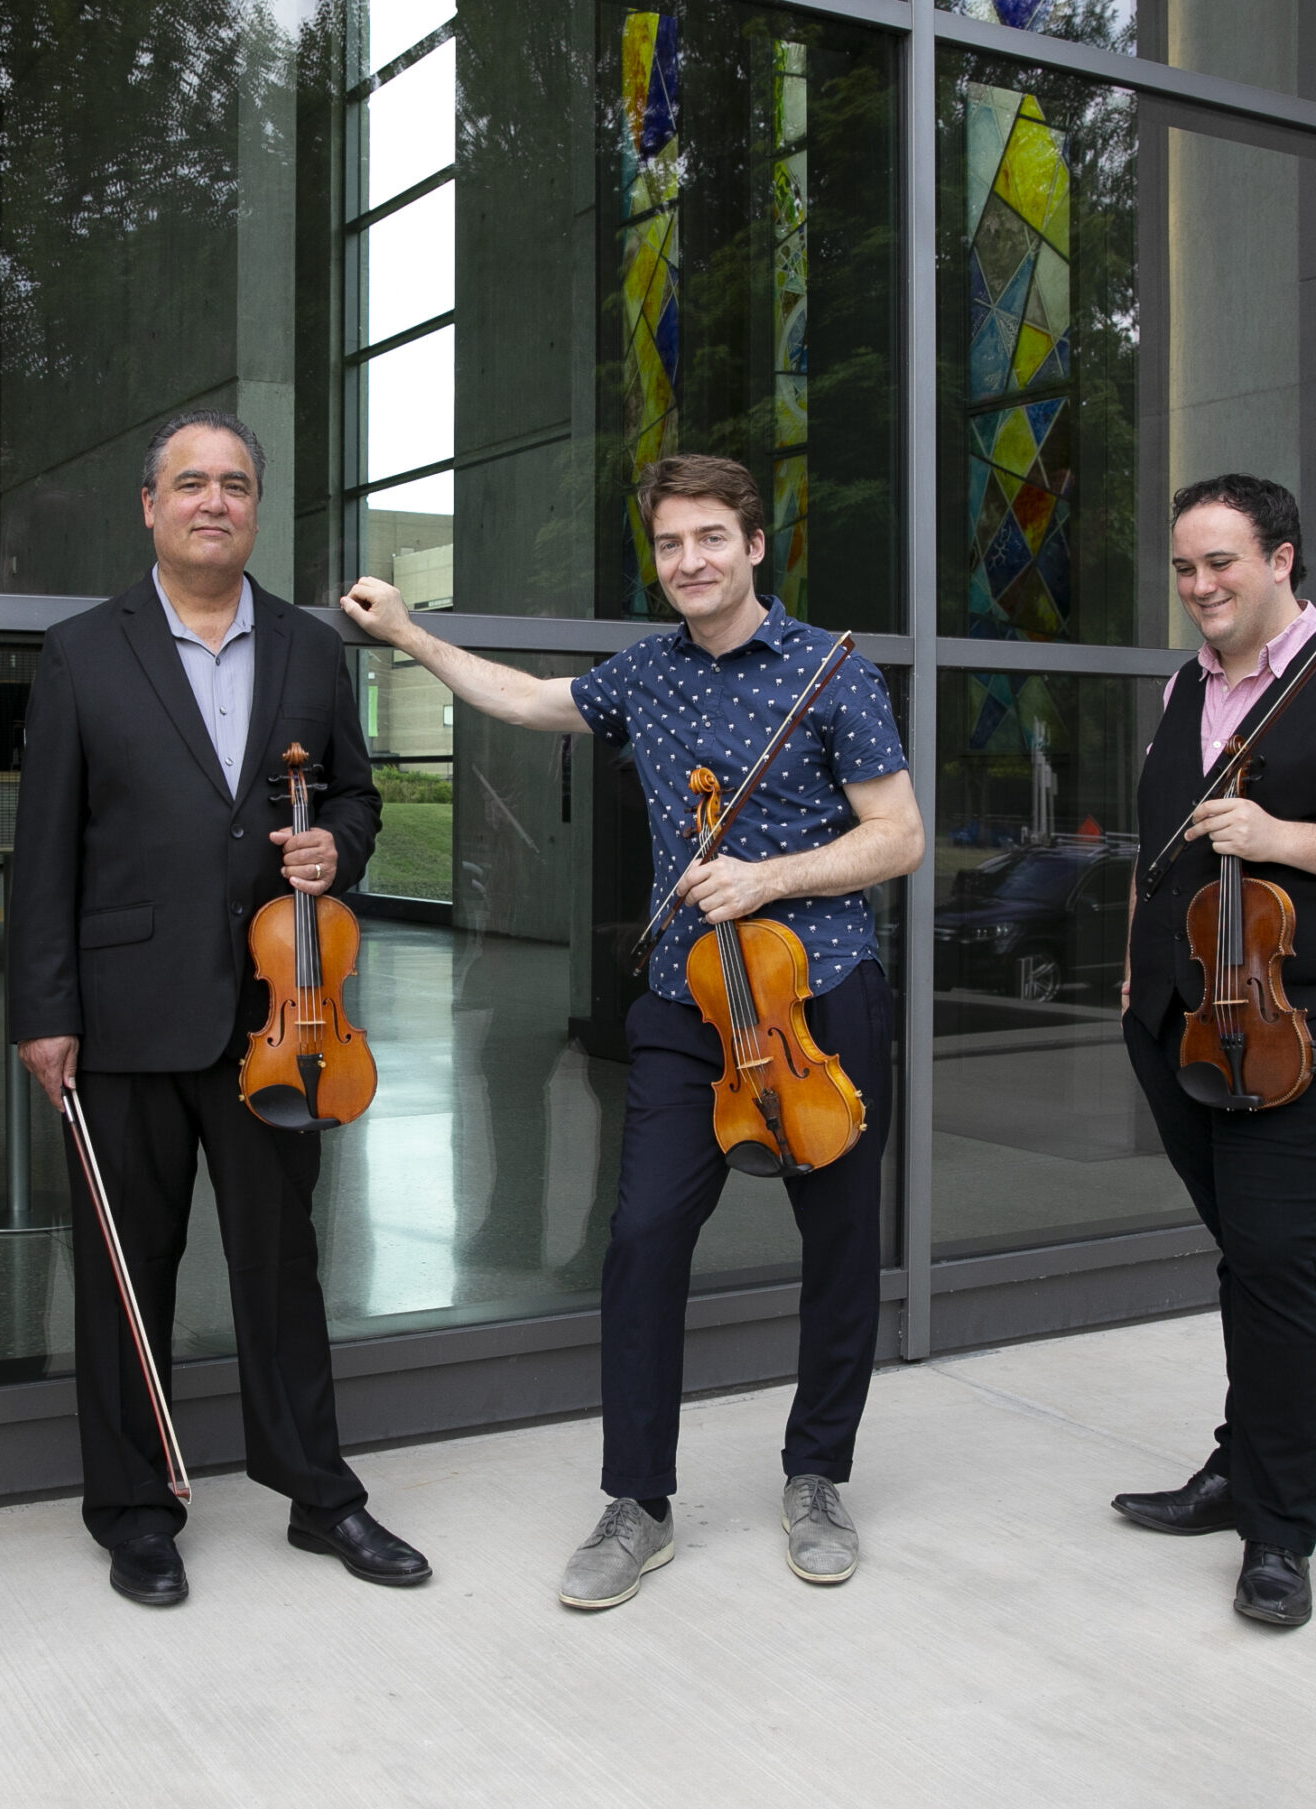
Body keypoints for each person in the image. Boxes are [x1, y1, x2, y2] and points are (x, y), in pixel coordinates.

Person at [340, 452, 923, 1607]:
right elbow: (527, 700)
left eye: (711, 537)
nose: (690, 561)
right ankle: (637, 1501)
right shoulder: (645, 675)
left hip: (822, 996)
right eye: (669, 545)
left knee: (842, 1245)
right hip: (686, 1002)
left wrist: (768, 878)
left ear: (756, 545)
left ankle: (817, 1475)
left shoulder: (830, 674)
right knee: (643, 1237)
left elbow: (897, 835)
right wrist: (410, 635)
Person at [8, 409, 429, 1607]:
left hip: (276, 1017)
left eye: (235, 484)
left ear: (255, 508)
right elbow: (46, 853)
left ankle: (318, 1494)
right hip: (125, 1013)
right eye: (189, 483)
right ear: (149, 506)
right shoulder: (85, 651)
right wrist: (45, 1012)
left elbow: (355, 796)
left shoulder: (307, 648)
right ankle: (136, 1509)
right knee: (125, 1274)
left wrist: (332, 851)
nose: (213, 501)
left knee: (280, 1265)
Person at [1116, 473, 1316, 1629]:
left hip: (1303, 1030)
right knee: (1247, 1263)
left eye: (1221, 562)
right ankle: (1237, 1462)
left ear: (1283, 559)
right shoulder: (1186, 685)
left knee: (1275, 1263)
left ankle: (1277, 1532)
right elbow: (1156, 846)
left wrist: (1280, 837)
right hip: (1177, 1021)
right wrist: (1133, 971)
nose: (1200, 586)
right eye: (1183, 567)